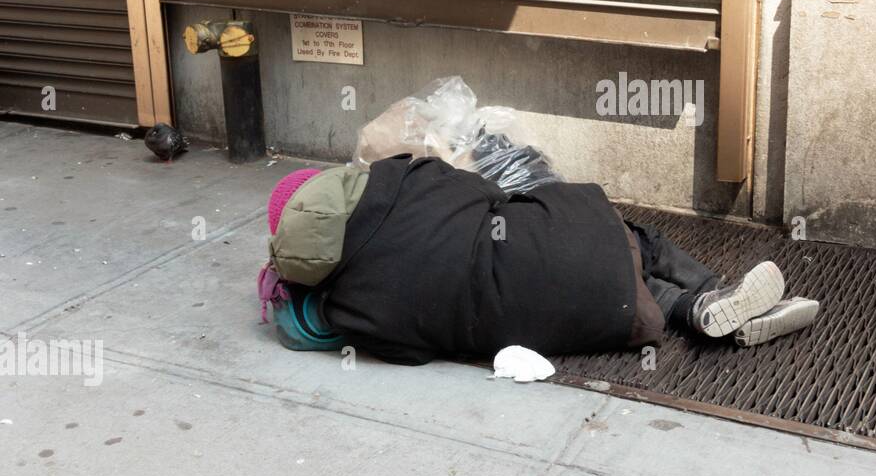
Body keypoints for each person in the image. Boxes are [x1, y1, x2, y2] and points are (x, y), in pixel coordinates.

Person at [258, 156, 818, 364]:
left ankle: (693, 311)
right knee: (632, 243)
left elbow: (410, 354)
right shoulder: (406, 177)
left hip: (593, 319)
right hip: (575, 246)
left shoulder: (349, 311)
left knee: (626, 289)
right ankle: (712, 291)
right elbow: (482, 192)